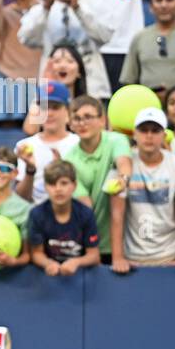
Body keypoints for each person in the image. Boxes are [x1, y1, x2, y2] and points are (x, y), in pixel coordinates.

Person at [110, 108, 175, 276]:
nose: (149, 136)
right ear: (134, 134)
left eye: (155, 130)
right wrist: (117, 257)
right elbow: (116, 213)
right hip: (132, 258)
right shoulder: (123, 164)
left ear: (164, 135)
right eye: (143, 130)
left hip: (171, 257)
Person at [17, 0, 113, 98]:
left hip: (92, 86)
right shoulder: (41, 9)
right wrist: (46, 7)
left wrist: (78, 9)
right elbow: (26, 39)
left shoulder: (94, 7)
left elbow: (105, 37)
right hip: (52, 86)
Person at [61, 93, 130, 255]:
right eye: (77, 118)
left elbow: (123, 163)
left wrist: (123, 179)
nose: (82, 123)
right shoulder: (69, 160)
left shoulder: (117, 140)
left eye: (88, 117)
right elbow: (85, 206)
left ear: (102, 120)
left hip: (126, 247)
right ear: (70, 124)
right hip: (91, 245)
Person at [28, 158, 101, 274]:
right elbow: (36, 253)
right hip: (48, 277)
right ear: (45, 187)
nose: (58, 189)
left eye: (64, 183)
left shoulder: (85, 214)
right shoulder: (37, 214)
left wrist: (76, 262)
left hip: (81, 276)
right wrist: (48, 264)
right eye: (52, 184)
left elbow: (94, 255)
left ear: (74, 185)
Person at [15, 81, 78, 203]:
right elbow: (21, 199)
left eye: (55, 107)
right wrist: (30, 169)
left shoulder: (79, 143)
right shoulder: (24, 146)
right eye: (44, 107)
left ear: (68, 111)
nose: (49, 113)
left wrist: (61, 169)